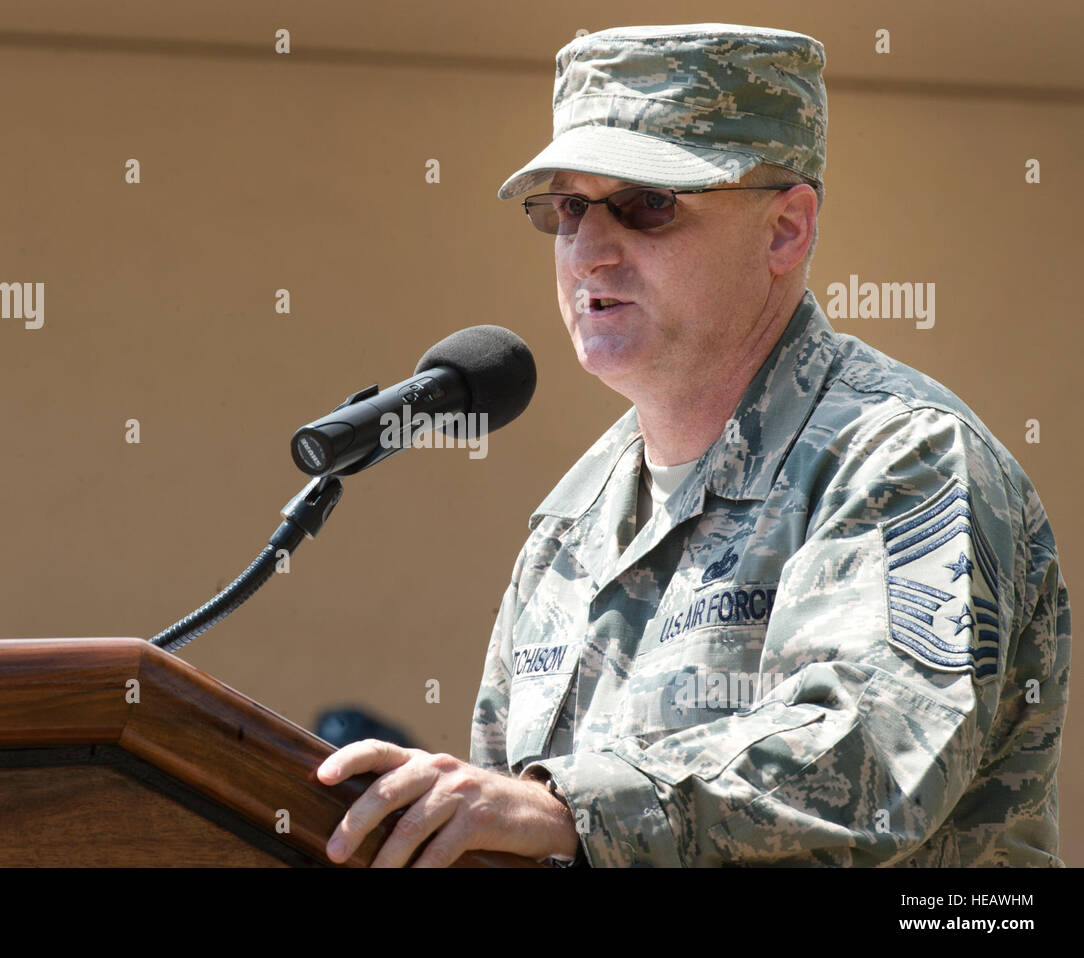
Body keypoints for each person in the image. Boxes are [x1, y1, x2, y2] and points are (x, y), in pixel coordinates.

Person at [315, 22, 1070, 867]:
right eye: (568, 208)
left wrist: (572, 810)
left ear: (786, 230)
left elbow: (870, 770)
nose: (590, 252)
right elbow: (507, 831)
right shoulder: (573, 522)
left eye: (647, 205)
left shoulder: (903, 460)